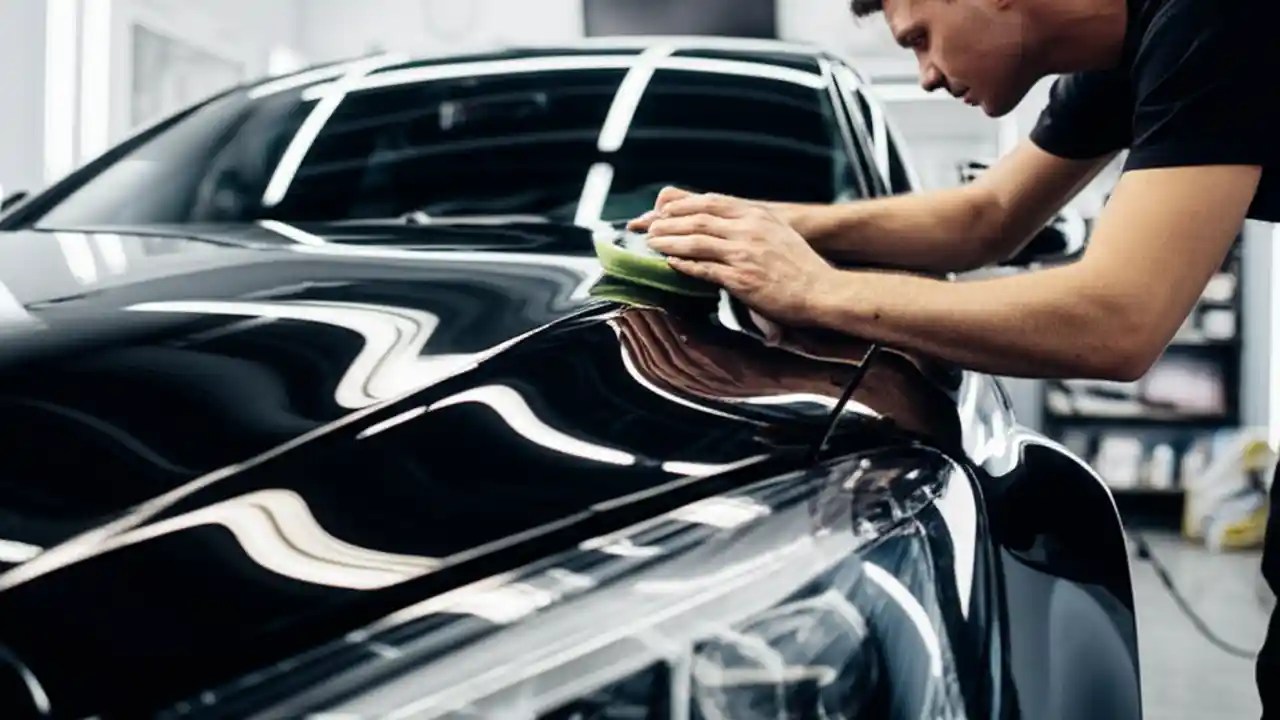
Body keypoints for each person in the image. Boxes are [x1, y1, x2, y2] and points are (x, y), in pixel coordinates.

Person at [627, 0, 1279, 714]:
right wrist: (767, 226)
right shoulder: (1130, 50)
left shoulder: (1213, 18)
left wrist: (815, 290)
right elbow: (985, 218)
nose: (927, 75)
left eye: (920, 39)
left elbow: (1119, 320)